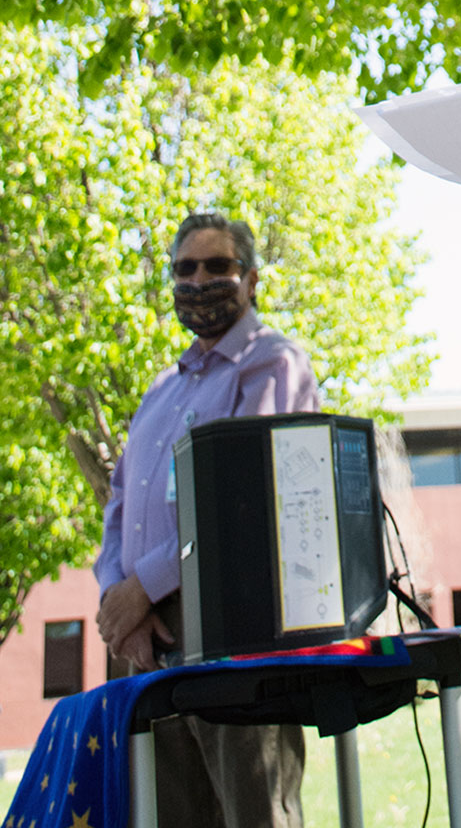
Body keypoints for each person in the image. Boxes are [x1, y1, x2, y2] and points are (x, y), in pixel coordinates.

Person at [95, 210, 319, 828]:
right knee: (165, 815)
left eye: (218, 266)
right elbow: (119, 503)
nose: (199, 281)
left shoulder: (273, 365)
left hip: (230, 626)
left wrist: (142, 588)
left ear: (251, 279)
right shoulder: (160, 390)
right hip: (140, 637)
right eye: (185, 269)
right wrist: (117, 597)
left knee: (253, 814)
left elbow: (244, 501)